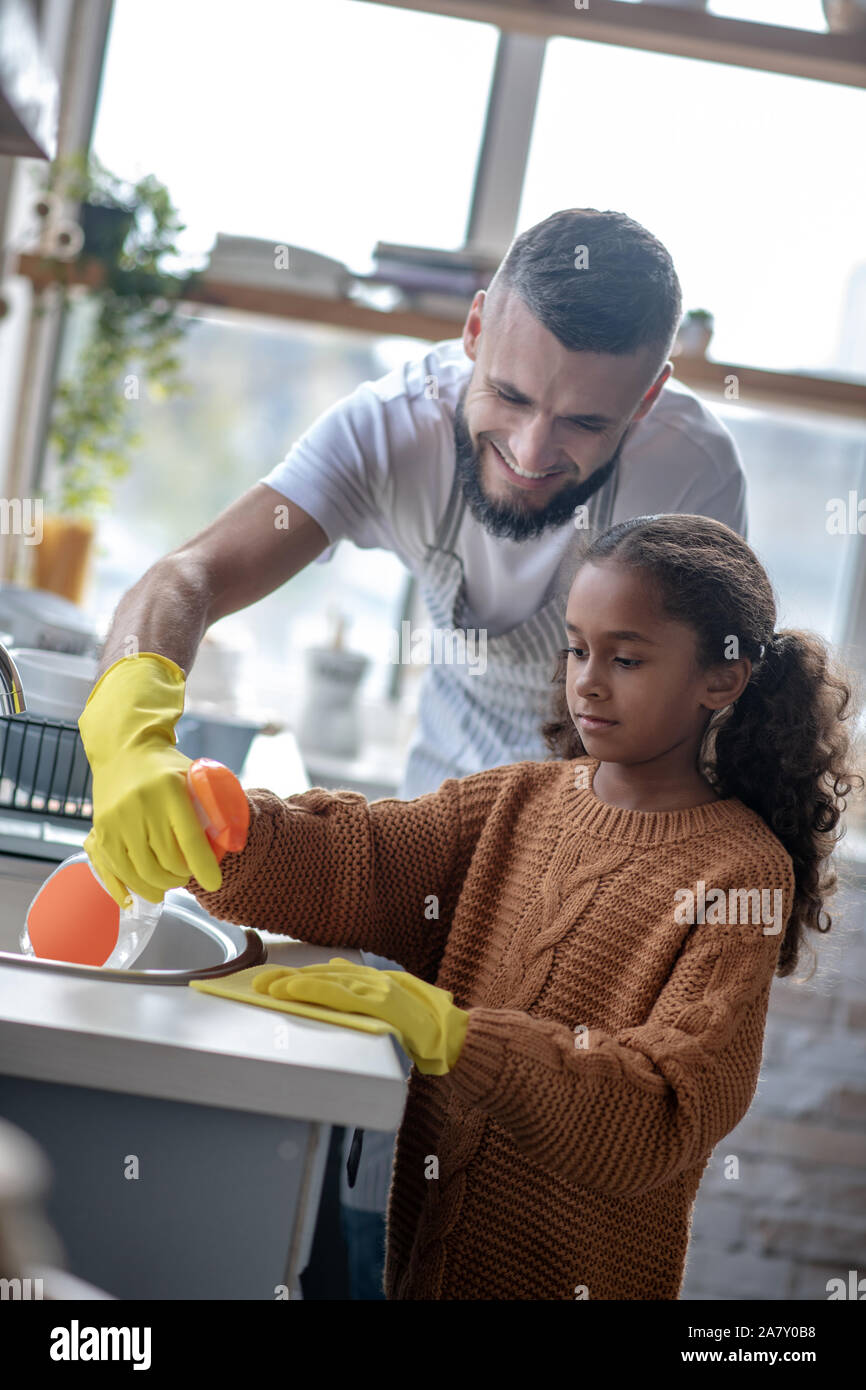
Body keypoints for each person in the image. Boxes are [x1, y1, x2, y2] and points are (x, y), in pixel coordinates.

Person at [78, 209, 748, 1298]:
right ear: (476, 329)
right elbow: (186, 578)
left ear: (650, 397)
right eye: (512, 397)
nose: (533, 455)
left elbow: (677, 744)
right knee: (373, 1198)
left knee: (530, 1201)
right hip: (445, 846)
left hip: (595, 861)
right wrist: (131, 731)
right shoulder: (390, 429)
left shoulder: (689, 480)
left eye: (584, 422)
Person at [169, 512, 859, 1299]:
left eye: (626, 658)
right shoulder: (516, 801)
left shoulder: (742, 875)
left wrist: (457, 1037)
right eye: (577, 648)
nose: (588, 680)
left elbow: (663, 1111)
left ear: (723, 679)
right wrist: (215, 829)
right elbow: (358, 861)